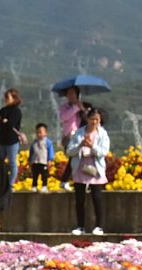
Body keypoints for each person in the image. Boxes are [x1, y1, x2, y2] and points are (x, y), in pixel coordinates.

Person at [65, 107, 110, 236]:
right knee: (80, 199)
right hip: (81, 167)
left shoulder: (102, 134)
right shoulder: (79, 133)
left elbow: (103, 152)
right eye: (92, 119)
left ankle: (99, 226)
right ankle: (80, 226)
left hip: (95, 168)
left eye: (97, 119)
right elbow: (69, 151)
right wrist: (80, 145)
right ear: (87, 119)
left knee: (97, 197)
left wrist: (92, 146)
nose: (94, 122)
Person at [0, 88, 25, 191]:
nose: (6, 99)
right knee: (0, 162)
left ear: (14, 98)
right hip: (2, 140)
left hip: (12, 141)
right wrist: (4, 121)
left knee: (12, 162)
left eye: (8, 97)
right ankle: (1, 182)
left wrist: (2, 121)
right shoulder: (3, 110)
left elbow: (10, 124)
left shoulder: (16, 111)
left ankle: (10, 184)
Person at [57, 86, 87, 189]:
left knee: (79, 159)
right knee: (73, 158)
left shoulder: (81, 106)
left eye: (73, 93)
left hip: (80, 136)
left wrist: (82, 109)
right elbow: (64, 117)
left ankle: (77, 180)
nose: (70, 96)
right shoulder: (64, 108)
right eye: (68, 94)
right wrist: (75, 108)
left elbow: (87, 119)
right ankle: (66, 180)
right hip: (69, 136)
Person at [29, 123, 55, 192]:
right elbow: (31, 152)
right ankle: (34, 186)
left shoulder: (48, 142)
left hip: (43, 162)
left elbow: (51, 151)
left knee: (44, 175)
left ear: (45, 133)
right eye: (37, 132)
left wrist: (50, 159)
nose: (39, 134)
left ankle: (44, 186)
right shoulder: (34, 142)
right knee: (35, 175)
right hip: (35, 162)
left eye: (40, 132)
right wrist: (30, 160)